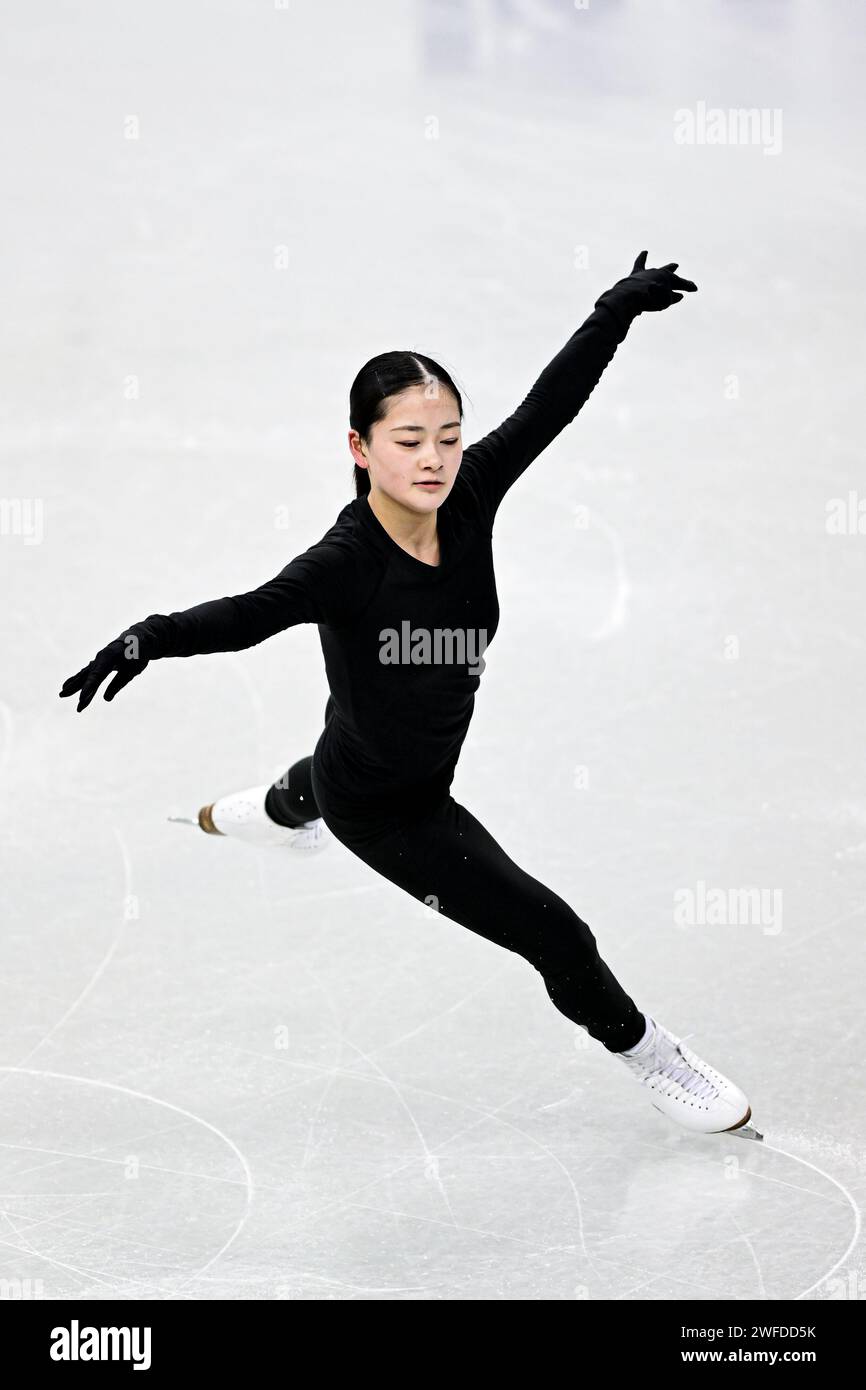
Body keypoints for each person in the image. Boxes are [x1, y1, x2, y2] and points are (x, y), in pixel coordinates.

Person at [59, 252, 761, 1140]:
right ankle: (652, 1054)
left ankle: (275, 813)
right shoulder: (344, 565)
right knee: (557, 934)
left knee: (318, 770)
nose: (434, 458)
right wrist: (151, 635)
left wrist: (611, 312)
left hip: (359, 756)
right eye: (408, 440)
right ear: (360, 448)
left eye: (448, 436)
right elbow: (250, 614)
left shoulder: (469, 496)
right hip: (392, 810)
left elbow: (551, 405)